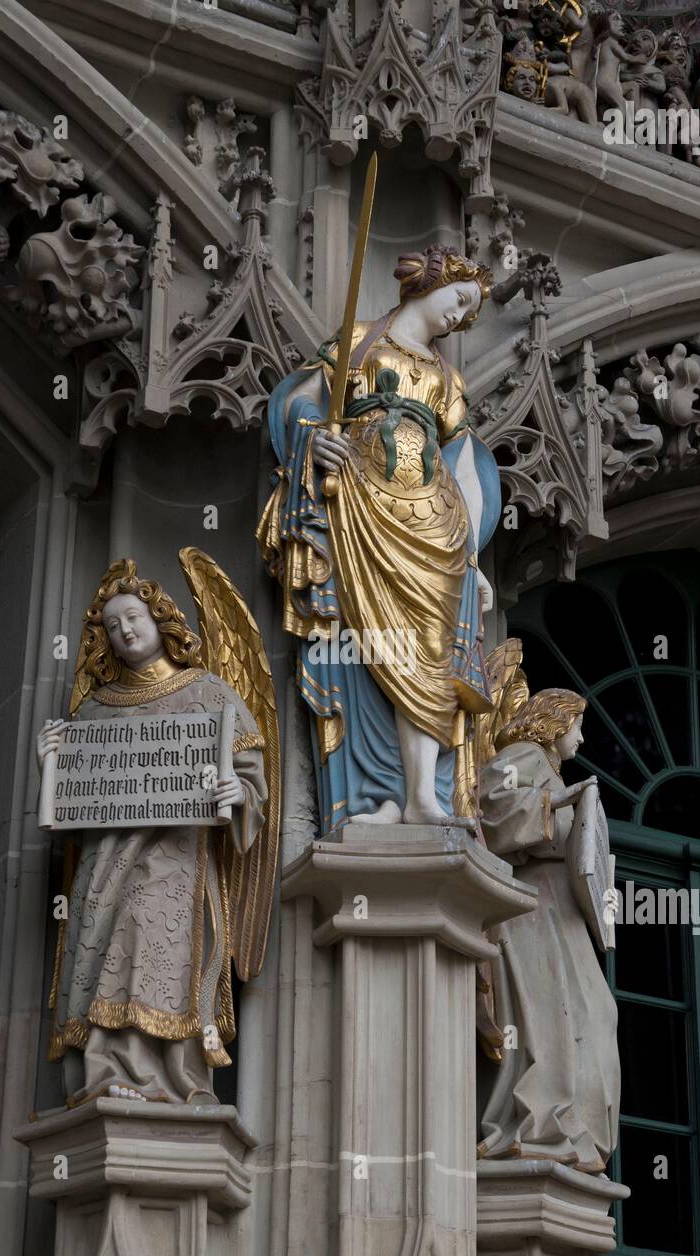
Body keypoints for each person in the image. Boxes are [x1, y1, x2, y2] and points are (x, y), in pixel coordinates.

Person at [258, 244, 501, 830]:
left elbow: (462, 461)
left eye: (467, 315)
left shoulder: (446, 377)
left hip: (432, 524)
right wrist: (313, 439)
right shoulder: (359, 343)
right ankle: (381, 794)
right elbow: (303, 406)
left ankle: (423, 797)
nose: (458, 317)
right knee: (369, 650)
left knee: (429, 656)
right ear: (432, 281)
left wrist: (470, 555)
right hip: (360, 511)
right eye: (459, 300)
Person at [36, 559, 268, 1106]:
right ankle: (104, 1075)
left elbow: (254, 779)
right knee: (102, 955)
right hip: (103, 867)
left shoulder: (209, 694)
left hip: (176, 863)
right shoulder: (92, 712)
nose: (126, 631)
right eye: (113, 627)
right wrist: (51, 768)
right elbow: (62, 823)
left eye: (134, 617)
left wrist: (238, 794)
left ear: (160, 618)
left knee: (151, 945)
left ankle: (168, 1078)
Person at [478, 686, 620, 1172]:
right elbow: (490, 808)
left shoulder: (549, 769)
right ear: (555, 723)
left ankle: (573, 1131)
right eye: (578, 726)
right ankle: (542, 1125)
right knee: (555, 1015)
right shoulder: (524, 756)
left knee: (598, 1014)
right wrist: (561, 802)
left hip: (561, 912)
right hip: (532, 912)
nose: (580, 740)